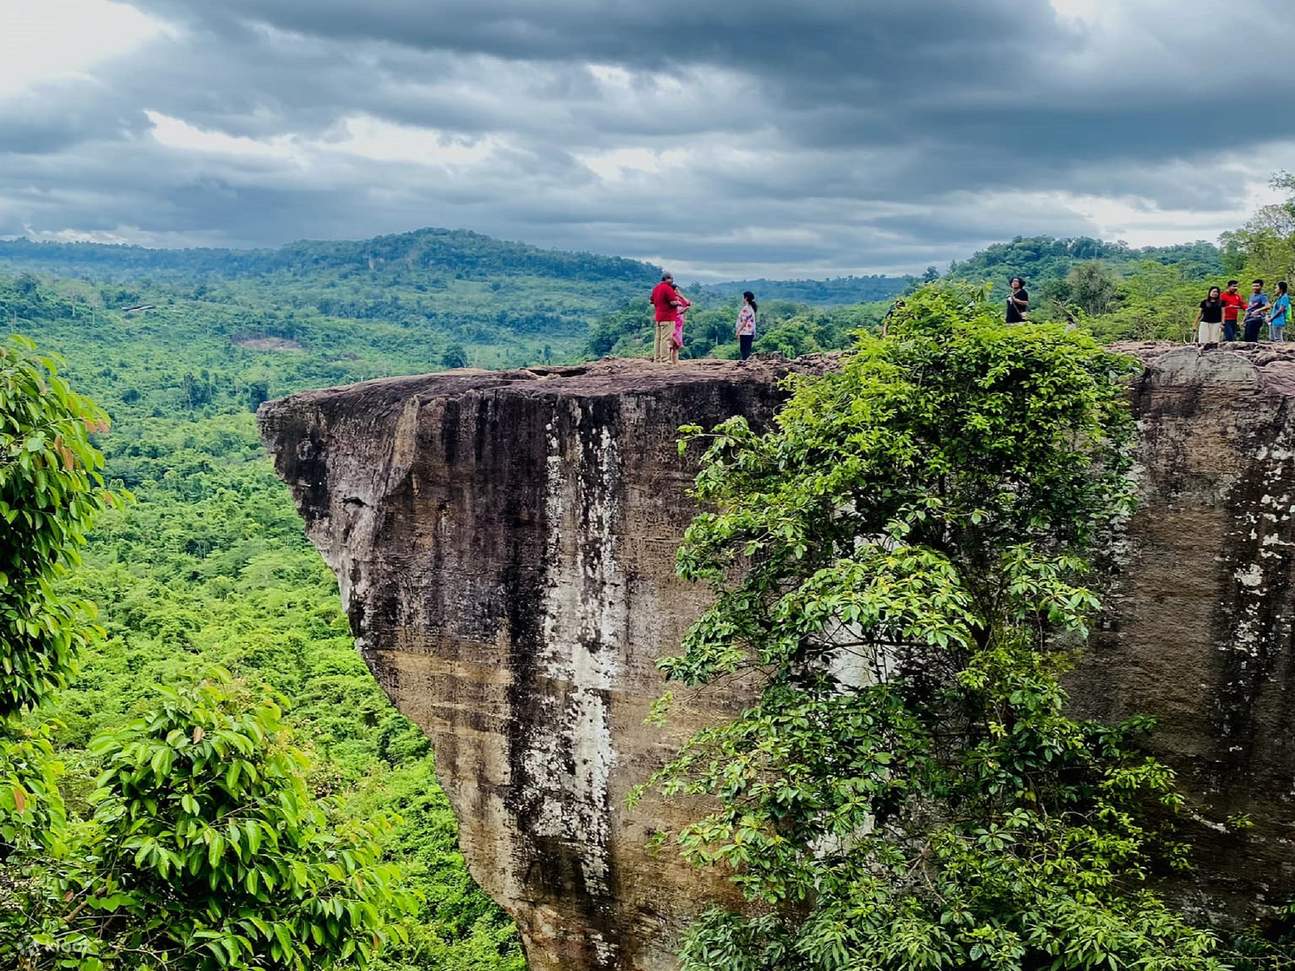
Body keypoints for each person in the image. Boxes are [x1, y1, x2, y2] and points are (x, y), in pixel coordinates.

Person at [650, 272, 680, 362]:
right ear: (667, 279)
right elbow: (672, 303)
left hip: (659, 317)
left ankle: (657, 358)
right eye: (671, 279)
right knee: (666, 339)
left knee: (658, 339)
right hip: (668, 317)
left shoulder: (656, 288)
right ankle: (665, 359)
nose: (672, 281)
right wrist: (678, 302)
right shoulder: (667, 288)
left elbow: (651, 301)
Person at [669, 282, 691, 364]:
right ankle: (668, 361)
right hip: (671, 322)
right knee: (670, 343)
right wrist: (681, 311)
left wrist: (680, 295)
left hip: (679, 325)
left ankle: (675, 362)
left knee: (676, 346)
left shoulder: (679, 298)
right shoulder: (669, 299)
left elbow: (688, 303)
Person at [736, 291, 757, 360]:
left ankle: (745, 364)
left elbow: (744, 321)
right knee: (747, 350)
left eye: (743, 298)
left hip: (745, 331)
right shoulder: (751, 308)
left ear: (746, 298)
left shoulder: (746, 308)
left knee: (744, 350)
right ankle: (747, 363)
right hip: (750, 332)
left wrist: (738, 331)